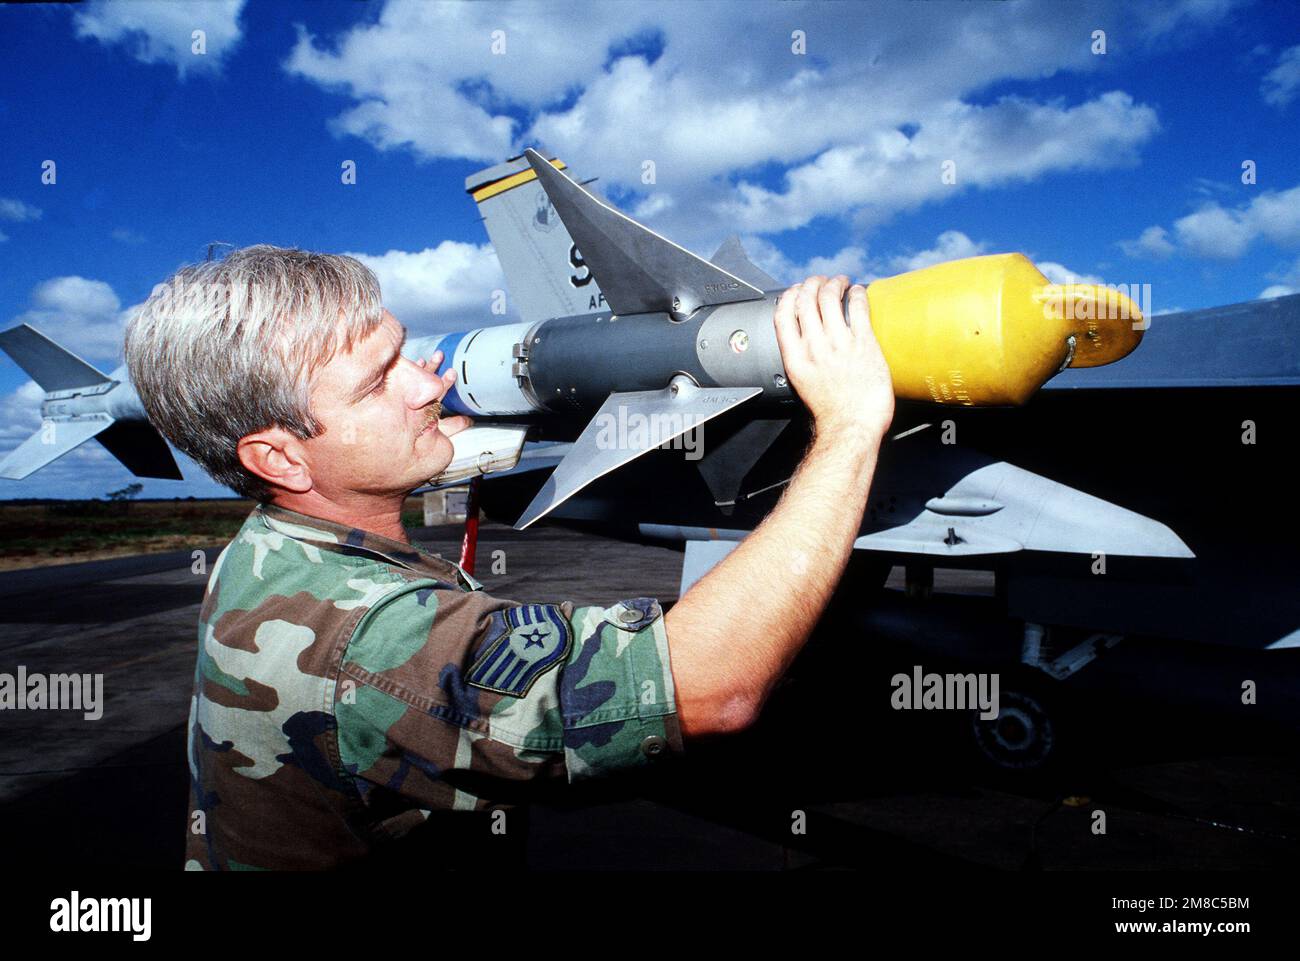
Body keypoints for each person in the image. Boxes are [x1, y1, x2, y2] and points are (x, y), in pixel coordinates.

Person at [124, 245, 894, 870]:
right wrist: (852, 424)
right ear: (281, 458)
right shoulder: (372, 638)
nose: (432, 384)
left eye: (406, 353)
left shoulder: (266, 549)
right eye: (377, 384)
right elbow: (709, 686)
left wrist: (421, 449)